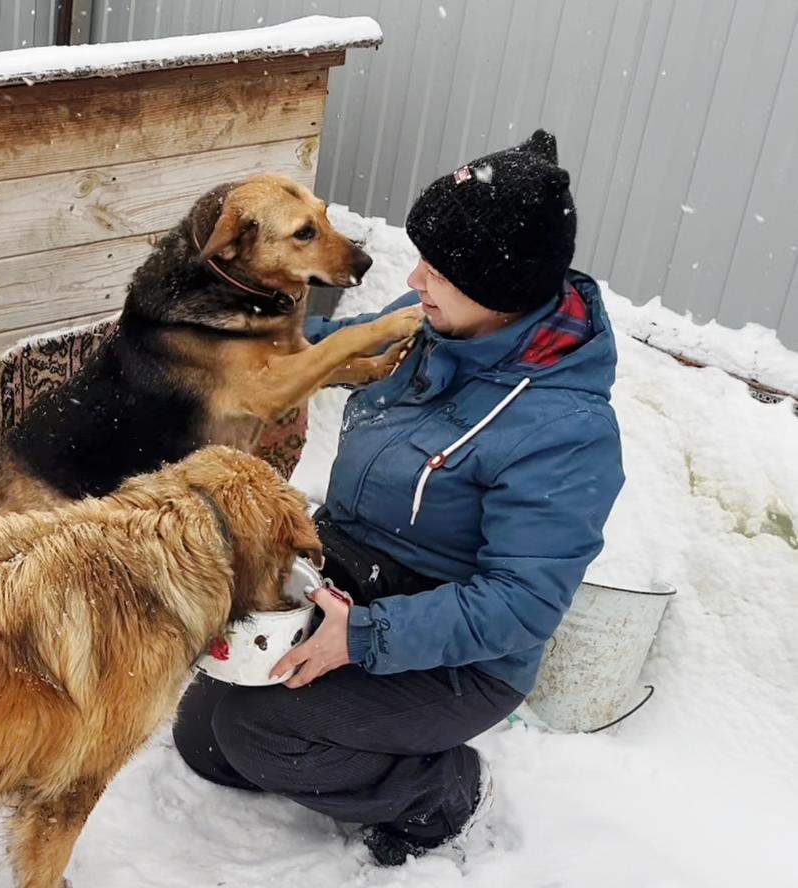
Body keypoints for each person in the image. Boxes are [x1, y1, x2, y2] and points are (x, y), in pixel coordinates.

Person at [172, 129, 625, 866]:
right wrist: (213, 333)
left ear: (501, 290)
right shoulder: (428, 330)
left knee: (263, 735)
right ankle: (328, 739)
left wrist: (365, 637)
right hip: (350, 574)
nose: (415, 280)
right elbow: (316, 342)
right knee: (205, 733)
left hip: (457, 653)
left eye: (439, 270)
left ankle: (438, 794)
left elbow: (521, 604)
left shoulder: (564, 430)